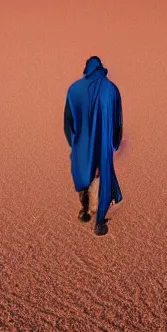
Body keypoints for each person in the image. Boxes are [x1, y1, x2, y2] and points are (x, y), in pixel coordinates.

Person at [64, 56, 123, 236]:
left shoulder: (74, 89)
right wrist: (115, 142)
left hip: (82, 141)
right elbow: (118, 120)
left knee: (82, 173)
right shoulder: (111, 89)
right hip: (104, 141)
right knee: (103, 174)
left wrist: (72, 142)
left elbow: (68, 121)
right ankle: (99, 222)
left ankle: (85, 209)